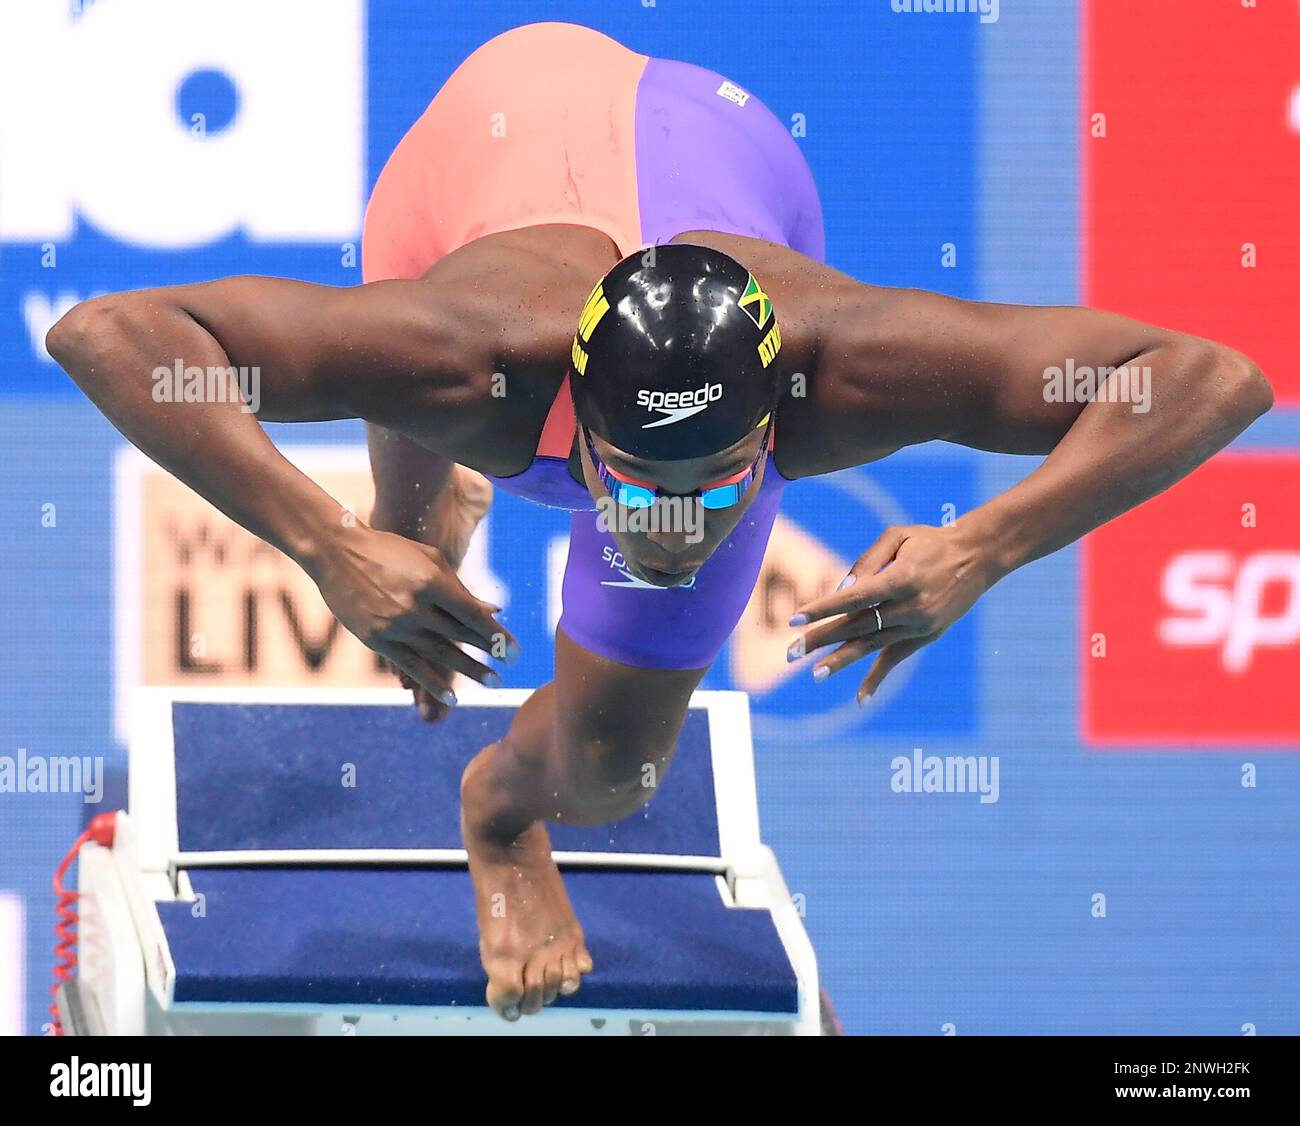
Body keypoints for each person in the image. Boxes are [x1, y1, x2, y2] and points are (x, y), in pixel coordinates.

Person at [47, 22, 1272, 1022]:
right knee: (401, 538)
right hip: (494, 137)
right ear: (577, 424)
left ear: (773, 425)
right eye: (633, 485)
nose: (672, 525)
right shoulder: (466, 359)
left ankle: (498, 814)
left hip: (714, 141)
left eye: (716, 484)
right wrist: (323, 541)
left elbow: (1209, 375)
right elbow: (113, 335)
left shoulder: (852, 373)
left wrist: (985, 543)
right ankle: (423, 509)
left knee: (612, 773)